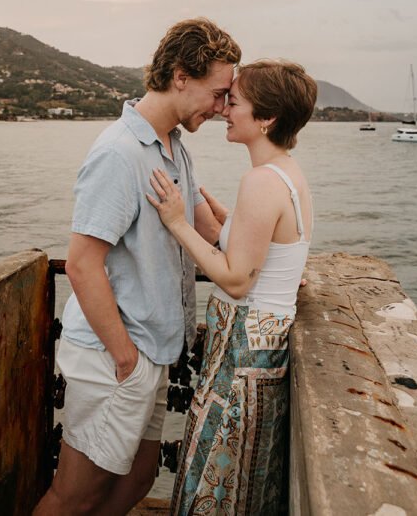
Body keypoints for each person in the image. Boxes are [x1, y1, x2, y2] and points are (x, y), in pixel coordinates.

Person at [33, 18, 241, 516]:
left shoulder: (173, 147)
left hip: (152, 351)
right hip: (115, 355)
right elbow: (82, 264)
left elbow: (207, 228)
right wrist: (124, 357)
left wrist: (273, 260)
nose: (220, 108)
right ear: (180, 76)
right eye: (217, 94)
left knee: (140, 476)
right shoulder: (118, 153)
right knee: (75, 496)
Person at [147, 60, 317, 516]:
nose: (224, 109)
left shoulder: (261, 182)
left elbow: (238, 279)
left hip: (242, 355)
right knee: (241, 482)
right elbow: (262, 243)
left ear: (267, 119)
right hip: (256, 353)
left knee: (219, 482)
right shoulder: (287, 173)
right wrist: (222, 218)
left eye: (235, 102)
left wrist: (177, 222)